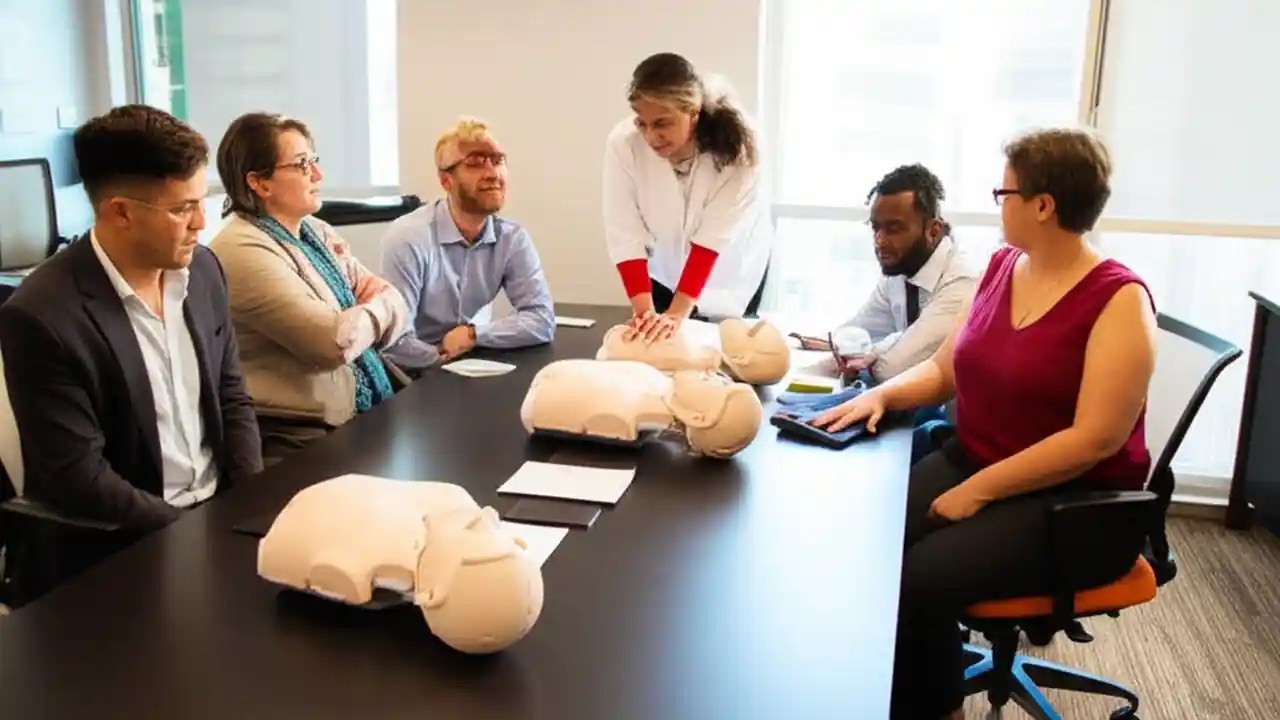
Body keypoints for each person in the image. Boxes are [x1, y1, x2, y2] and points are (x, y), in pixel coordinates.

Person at [813, 128, 1157, 720]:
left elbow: (1093, 440)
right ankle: (884, 694)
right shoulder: (1002, 267)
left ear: (1044, 205)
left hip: (1073, 503)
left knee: (920, 577)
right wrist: (883, 397)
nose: (998, 202)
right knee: (865, 542)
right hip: (977, 456)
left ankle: (933, 708)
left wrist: (977, 491)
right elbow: (947, 369)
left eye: (1006, 191)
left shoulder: (1119, 300)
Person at [0, 104, 262, 533]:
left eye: (203, 202)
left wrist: (248, 505)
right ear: (121, 212)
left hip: (219, 516)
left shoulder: (204, 271)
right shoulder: (41, 316)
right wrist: (195, 536)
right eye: (183, 209)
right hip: (125, 542)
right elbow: (80, 478)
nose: (201, 222)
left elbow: (232, 396)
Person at [209, 112, 408, 465]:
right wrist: (376, 309)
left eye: (314, 161)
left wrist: (367, 313)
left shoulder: (315, 229)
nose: (318, 175)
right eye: (302, 165)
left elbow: (399, 307)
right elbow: (330, 343)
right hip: (298, 435)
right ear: (259, 183)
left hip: (359, 413)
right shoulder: (239, 249)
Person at [602, 51, 773, 342]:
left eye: (662, 123)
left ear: (693, 114)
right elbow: (624, 231)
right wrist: (645, 315)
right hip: (664, 265)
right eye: (641, 123)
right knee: (656, 345)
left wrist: (676, 315)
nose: (650, 136)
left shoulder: (739, 148)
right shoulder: (624, 144)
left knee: (726, 357)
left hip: (728, 266)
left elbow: (711, 239)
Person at [381, 117, 554, 372]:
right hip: (409, 376)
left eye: (498, 161)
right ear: (446, 182)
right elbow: (396, 342)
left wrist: (473, 335)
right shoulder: (409, 238)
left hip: (464, 362)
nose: (492, 173)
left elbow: (541, 320)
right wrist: (444, 356)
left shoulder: (512, 238)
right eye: (475, 163)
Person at [826, 164, 980, 383]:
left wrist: (872, 355)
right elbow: (852, 335)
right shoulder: (900, 269)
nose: (879, 241)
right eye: (875, 228)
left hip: (949, 414)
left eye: (894, 229)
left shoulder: (962, 281)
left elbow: (894, 369)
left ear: (933, 230)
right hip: (906, 408)